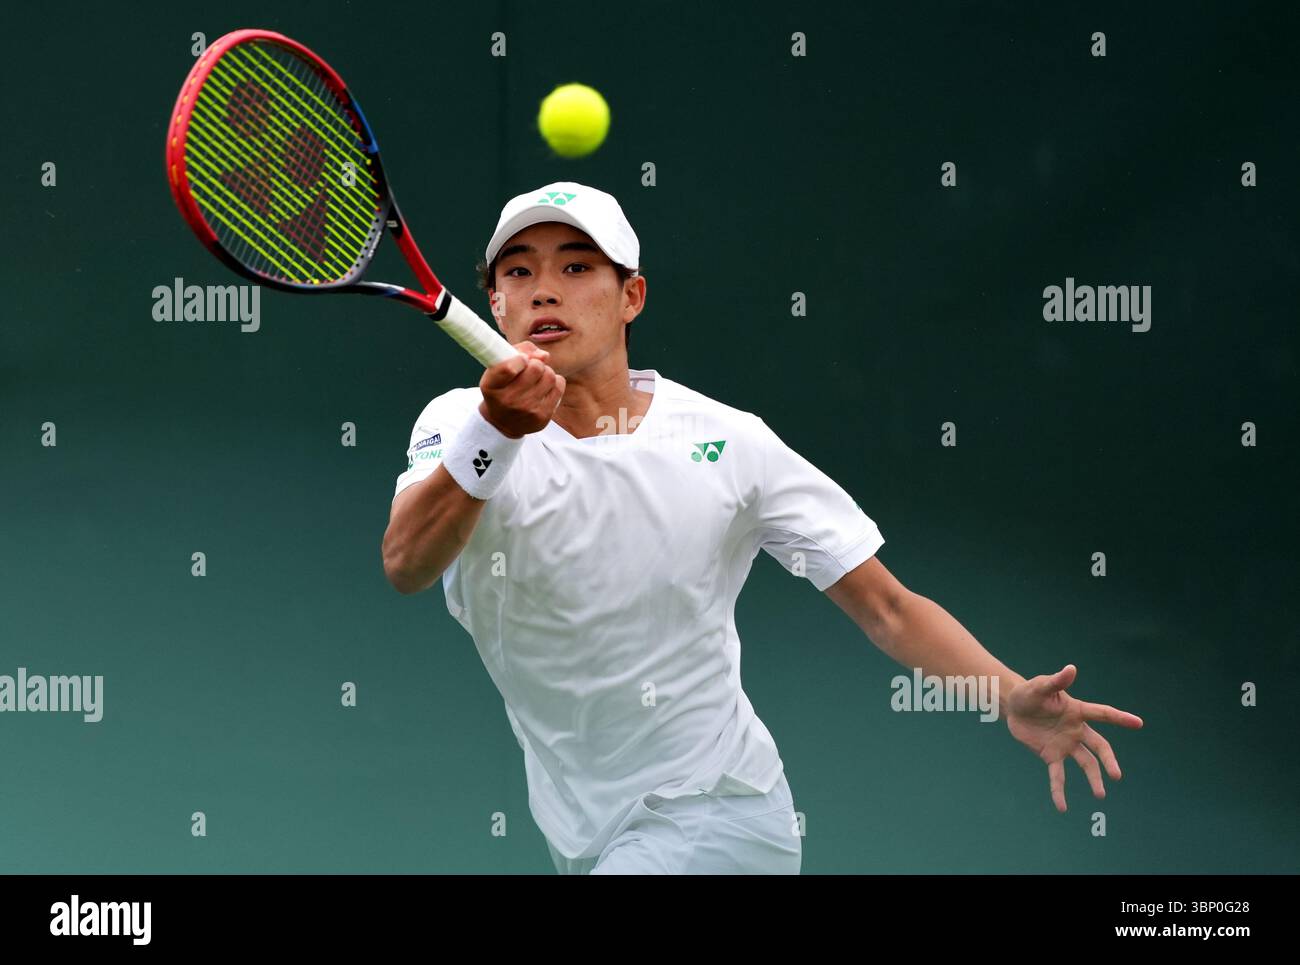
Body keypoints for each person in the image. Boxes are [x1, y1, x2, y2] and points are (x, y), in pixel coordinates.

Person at [381, 181, 1143, 874]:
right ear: (496, 303)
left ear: (631, 296)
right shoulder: (461, 426)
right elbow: (407, 562)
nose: (545, 287)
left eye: (578, 267)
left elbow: (887, 606)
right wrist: (497, 433)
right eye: (517, 272)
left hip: (720, 813)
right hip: (586, 836)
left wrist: (1007, 692)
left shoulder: (730, 442)